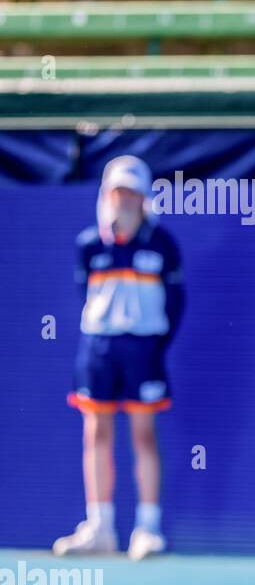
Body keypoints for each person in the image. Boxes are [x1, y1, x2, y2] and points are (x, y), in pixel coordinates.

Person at [54, 155, 184, 561]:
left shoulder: (163, 245)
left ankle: (147, 527)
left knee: (144, 433)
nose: (123, 200)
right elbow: (85, 297)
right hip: (97, 349)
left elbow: (176, 304)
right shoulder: (89, 244)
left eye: (131, 192)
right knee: (95, 431)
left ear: (144, 198)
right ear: (106, 196)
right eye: (117, 192)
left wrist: (153, 342)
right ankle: (100, 526)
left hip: (143, 349)